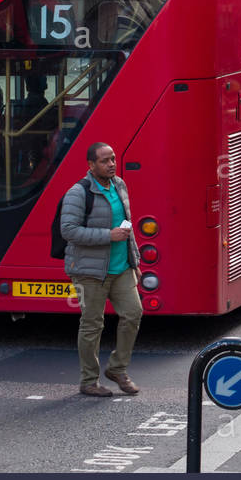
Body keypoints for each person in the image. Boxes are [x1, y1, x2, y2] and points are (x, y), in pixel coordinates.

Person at [60, 142, 142, 397]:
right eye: (105, 161)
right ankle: (89, 380)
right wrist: (108, 235)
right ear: (91, 165)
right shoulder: (78, 193)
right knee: (92, 324)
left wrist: (135, 262)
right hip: (89, 271)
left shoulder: (119, 185)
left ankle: (117, 368)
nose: (111, 164)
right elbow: (69, 231)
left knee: (133, 313)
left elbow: (126, 227)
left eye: (113, 159)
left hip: (121, 268)